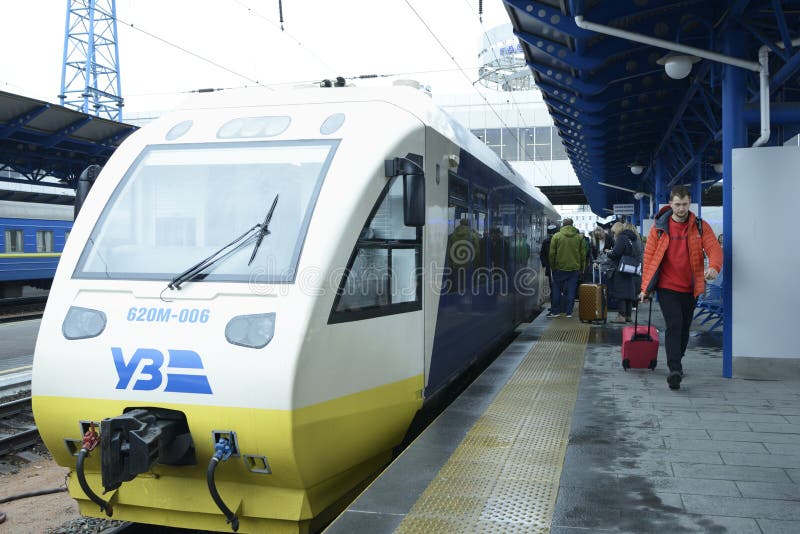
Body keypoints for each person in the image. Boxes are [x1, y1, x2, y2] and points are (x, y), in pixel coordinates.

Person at [639, 185, 723, 390]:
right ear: (670, 204)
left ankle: (677, 358)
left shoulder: (700, 226)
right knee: (674, 325)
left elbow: (714, 248)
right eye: (677, 204)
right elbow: (649, 259)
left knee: (685, 328)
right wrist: (645, 289)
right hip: (667, 287)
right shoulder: (659, 228)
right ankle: (674, 369)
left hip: (691, 287)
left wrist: (714, 266)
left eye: (685, 204)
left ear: (689, 204)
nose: (681, 209)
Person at [548, 218, 587, 318]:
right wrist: (582, 268)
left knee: (556, 289)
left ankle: (555, 311)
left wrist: (553, 267)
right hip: (574, 268)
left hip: (559, 268)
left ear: (562, 225)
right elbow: (583, 254)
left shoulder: (556, 236)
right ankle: (569, 312)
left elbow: (552, 254)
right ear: (572, 225)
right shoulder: (579, 237)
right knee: (571, 290)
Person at [607, 222, 642, 323]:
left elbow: (616, 253)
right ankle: (628, 315)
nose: (613, 234)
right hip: (630, 268)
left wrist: (609, 253)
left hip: (621, 268)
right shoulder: (633, 238)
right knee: (629, 292)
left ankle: (621, 316)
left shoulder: (622, 238)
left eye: (613, 232)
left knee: (621, 292)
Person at [539, 224, 558, 314]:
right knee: (553, 286)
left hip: (556, 267)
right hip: (552, 267)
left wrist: (545, 264)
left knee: (555, 286)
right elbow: (542, 255)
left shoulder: (547, 242)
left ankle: (555, 306)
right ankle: (554, 306)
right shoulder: (546, 242)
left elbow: (542, 254)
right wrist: (545, 264)